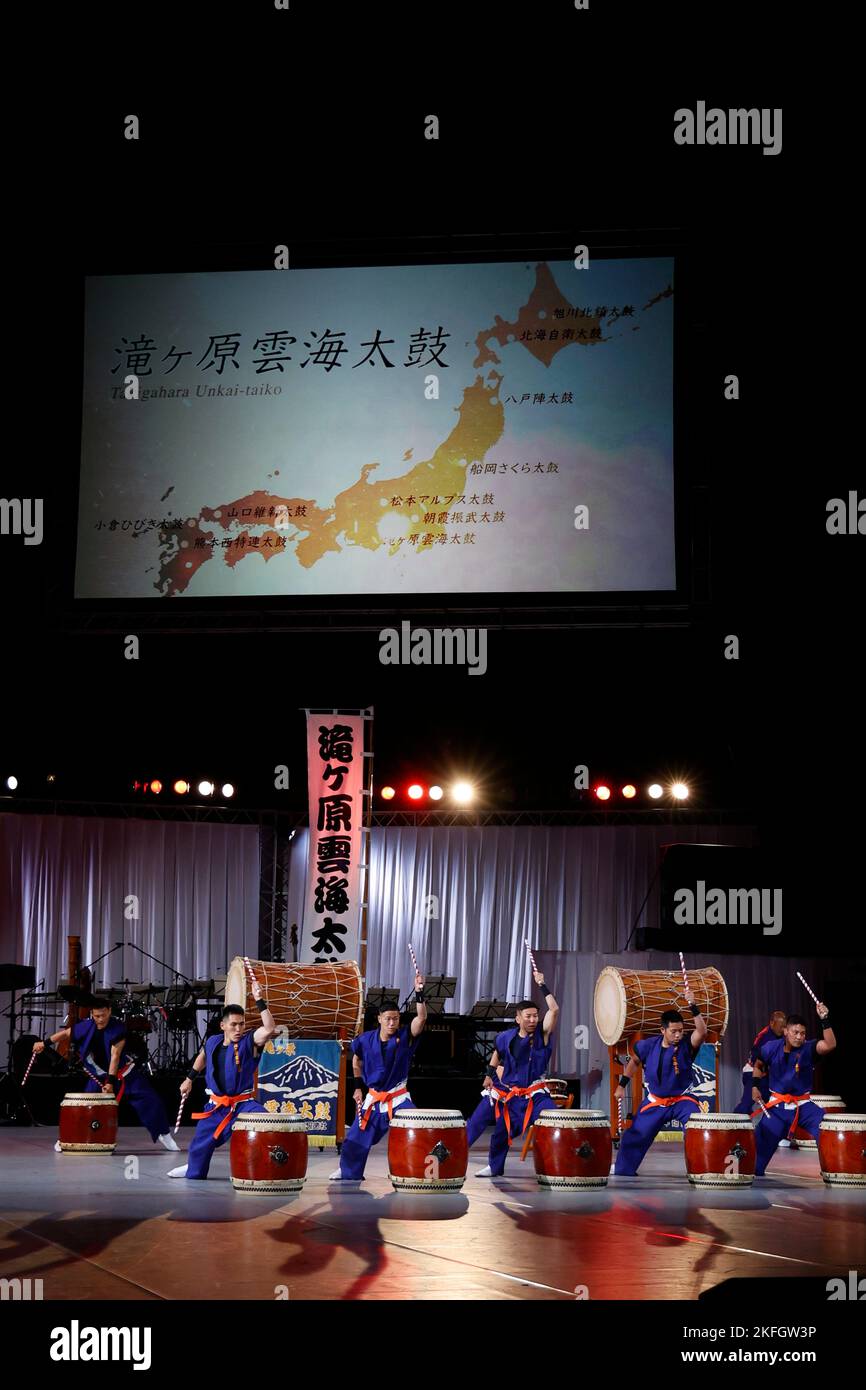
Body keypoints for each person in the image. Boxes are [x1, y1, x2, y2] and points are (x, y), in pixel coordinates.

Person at [167, 974, 276, 1179]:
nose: (238, 1029)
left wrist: (259, 999)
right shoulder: (213, 1042)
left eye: (241, 1024)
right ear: (223, 1026)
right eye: (233, 1024)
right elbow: (203, 1057)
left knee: (266, 1122)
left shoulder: (249, 1042)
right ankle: (193, 1169)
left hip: (243, 1104)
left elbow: (269, 1028)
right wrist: (189, 1079)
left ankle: (267, 1169)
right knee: (200, 1143)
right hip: (216, 1105)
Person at [34, 997, 178, 1152]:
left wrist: (110, 1082)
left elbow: (115, 1056)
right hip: (98, 1077)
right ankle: (67, 1138)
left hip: (124, 1074)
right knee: (86, 1108)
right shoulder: (87, 1026)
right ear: (92, 1014)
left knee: (150, 1100)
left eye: (103, 1015)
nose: (100, 1019)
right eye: (97, 1016)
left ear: (109, 1011)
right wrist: (44, 1043)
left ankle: (163, 1133)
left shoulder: (118, 1028)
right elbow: (65, 1034)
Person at [329, 971, 427, 1181]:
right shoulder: (365, 1040)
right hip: (374, 1098)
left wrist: (419, 993)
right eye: (388, 1019)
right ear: (380, 1019)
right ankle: (348, 1171)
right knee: (356, 1136)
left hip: (398, 1097)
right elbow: (356, 1061)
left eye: (396, 1019)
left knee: (415, 1125)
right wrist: (357, 1087)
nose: (392, 1023)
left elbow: (421, 1018)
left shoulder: (404, 1036)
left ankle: (414, 1171)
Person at [468, 968, 560, 1177]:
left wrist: (542, 984)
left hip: (534, 1093)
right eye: (528, 1016)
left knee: (554, 1119)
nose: (533, 1020)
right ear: (518, 1019)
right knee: (493, 1128)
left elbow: (554, 1010)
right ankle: (491, 1166)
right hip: (508, 1093)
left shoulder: (542, 1034)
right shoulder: (505, 1037)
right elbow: (497, 1053)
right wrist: (489, 1075)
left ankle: (561, 1164)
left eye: (535, 1016)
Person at [613, 990, 708, 1176]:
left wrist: (693, 1005)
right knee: (635, 1135)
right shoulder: (648, 1046)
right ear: (663, 1030)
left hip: (683, 1100)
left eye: (680, 1031)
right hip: (656, 1101)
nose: (678, 1035)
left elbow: (702, 1032)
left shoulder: (687, 1044)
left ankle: (701, 1172)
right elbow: (634, 1062)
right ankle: (624, 1170)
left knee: (698, 1128)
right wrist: (621, 1085)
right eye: (673, 1031)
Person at [752, 1003, 836, 1176]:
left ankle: (831, 1171)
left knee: (827, 1129)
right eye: (795, 1032)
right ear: (785, 1031)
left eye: (802, 1033)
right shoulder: (770, 1048)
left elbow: (830, 1044)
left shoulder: (809, 1048)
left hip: (804, 1107)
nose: (799, 1037)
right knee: (755, 1166)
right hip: (777, 1108)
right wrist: (755, 1086)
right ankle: (755, 1168)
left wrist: (824, 1019)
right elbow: (758, 1065)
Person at [733, 1010, 786, 1114]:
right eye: (781, 1027)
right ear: (772, 1023)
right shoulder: (764, 1037)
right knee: (745, 1106)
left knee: (775, 1105)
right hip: (753, 1073)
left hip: (768, 1077)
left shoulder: (782, 1037)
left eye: (784, 1027)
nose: (783, 1030)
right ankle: (735, 1123)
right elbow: (756, 1061)